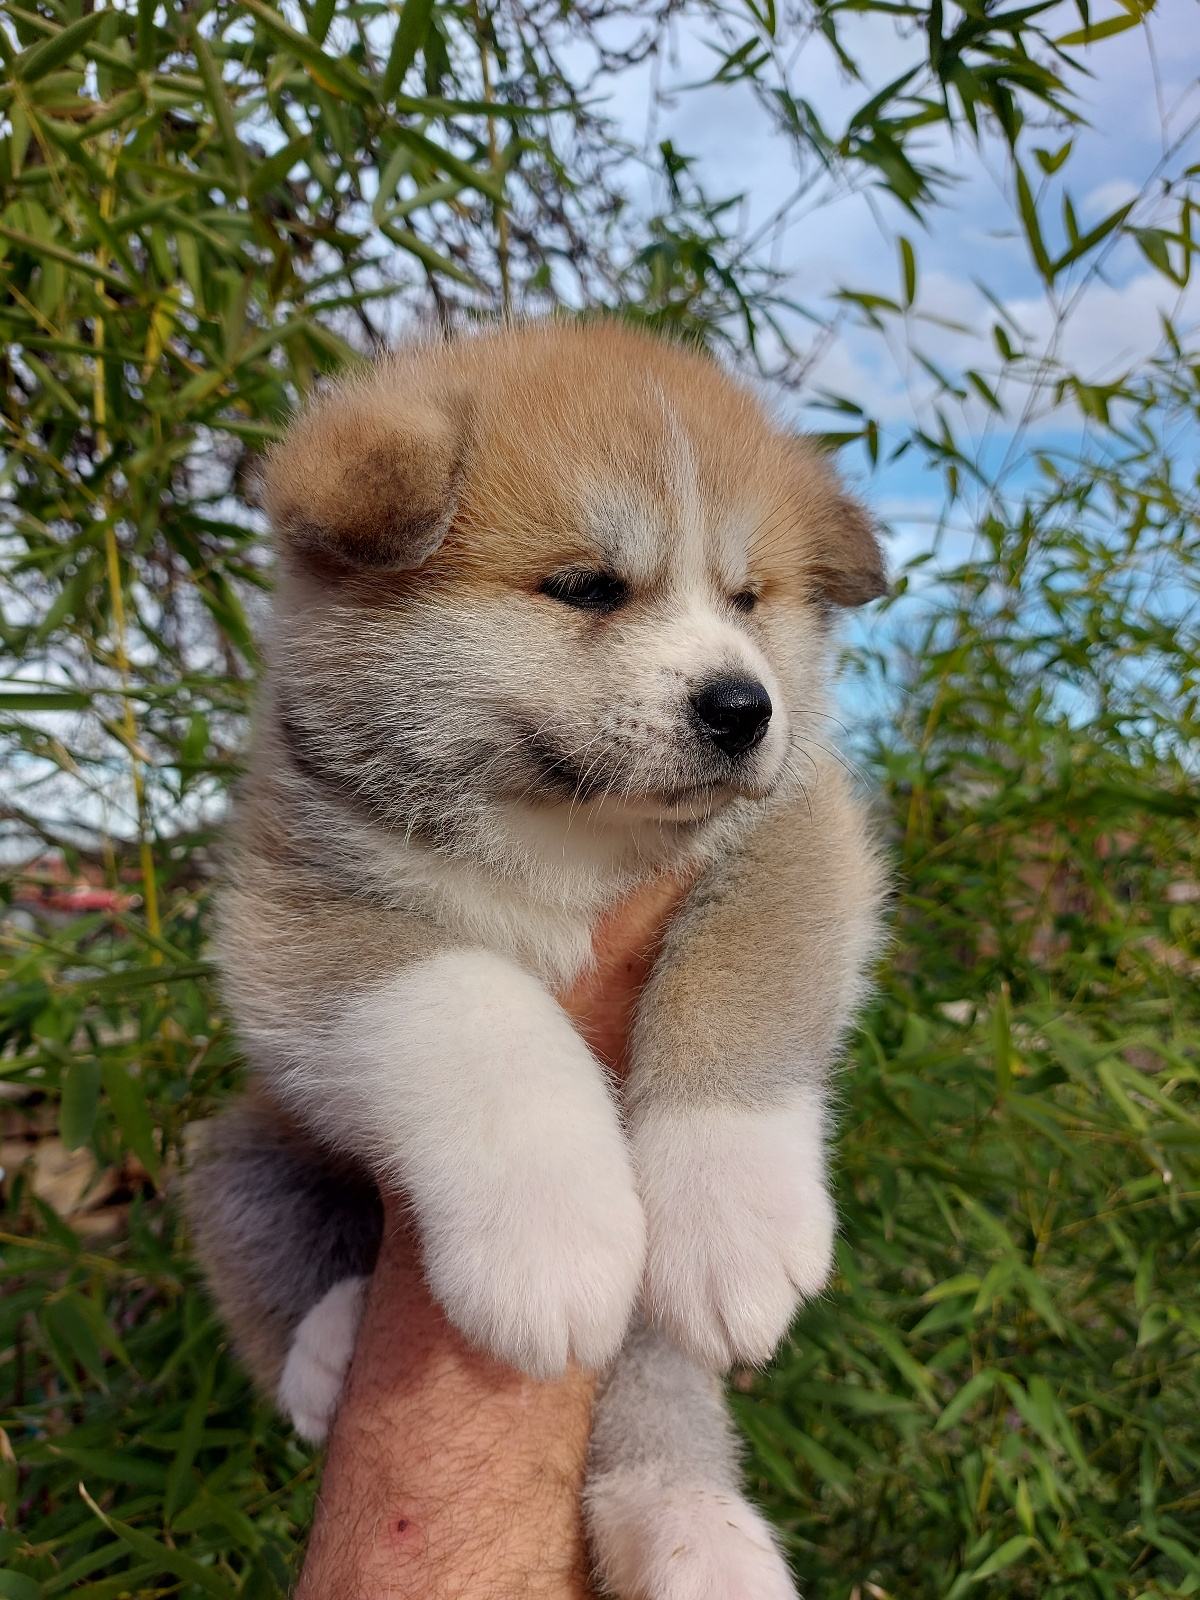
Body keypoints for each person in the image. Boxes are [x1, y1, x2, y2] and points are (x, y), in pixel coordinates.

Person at [295, 872, 691, 1600]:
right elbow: (293, 923)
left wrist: (726, 1097)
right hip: (335, 1203)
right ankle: (667, 1487)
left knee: (669, 1299)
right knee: (242, 1179)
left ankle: (673, 1479)